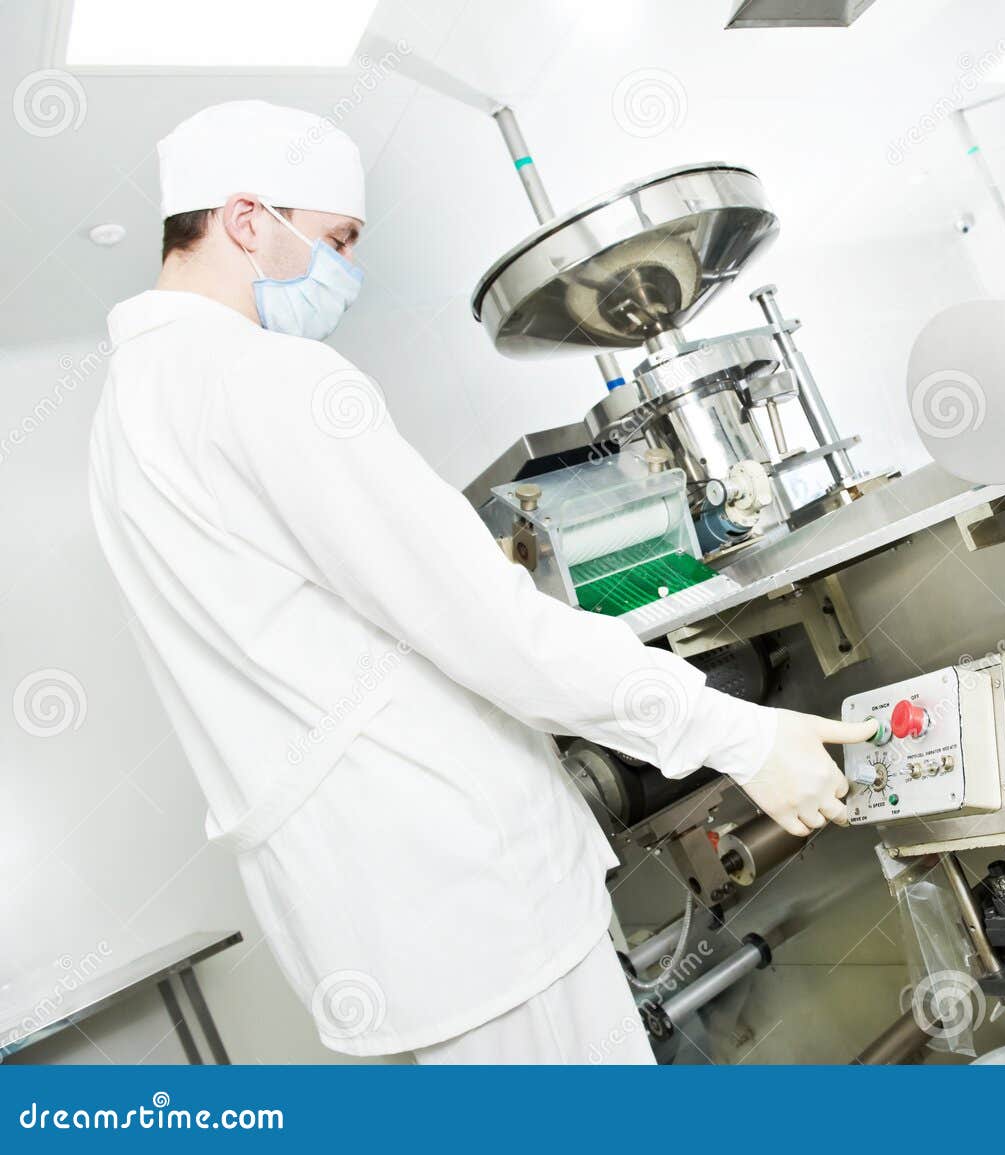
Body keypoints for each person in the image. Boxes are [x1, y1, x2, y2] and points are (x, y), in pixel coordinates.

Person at [87, 100, 874, 1064]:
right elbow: (489, 628)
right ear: (246, 221)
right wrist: (739, 732)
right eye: (335, 239)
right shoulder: (261, 380)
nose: (346, 271)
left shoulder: (127, 411)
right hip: (472, 892)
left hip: (380, 922)